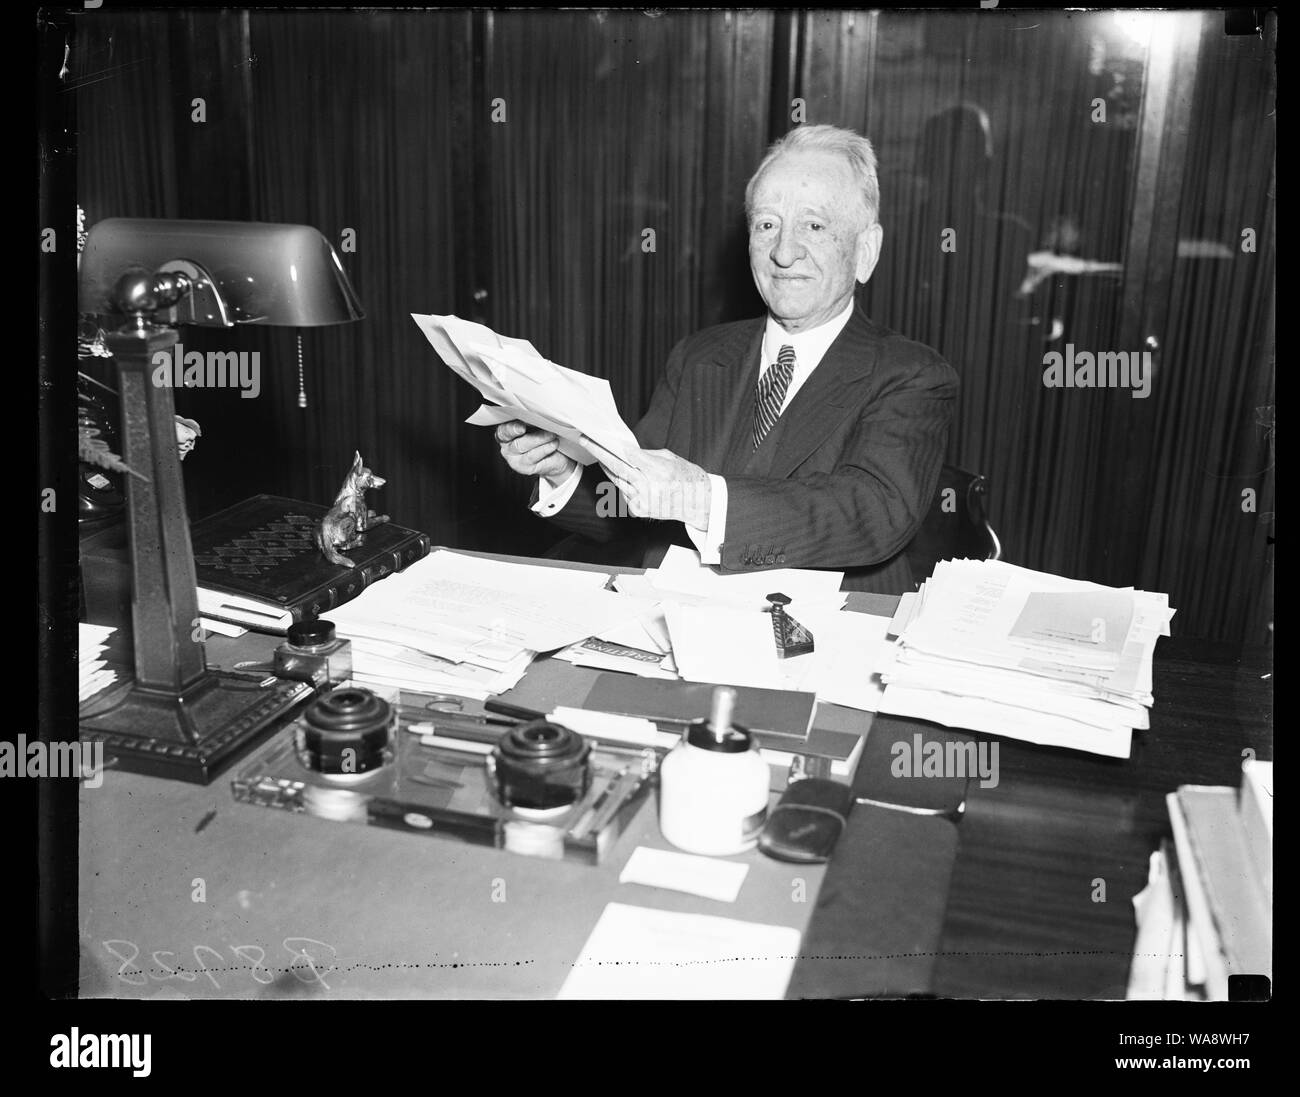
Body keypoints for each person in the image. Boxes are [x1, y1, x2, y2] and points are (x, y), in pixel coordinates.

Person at [496, 124, 958, 594]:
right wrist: (563, 471)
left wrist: (700, 499)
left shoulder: (912, 375)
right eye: (767, 224)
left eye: (814, 226)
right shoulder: (699, 355)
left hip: (826, 636)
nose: (784, 252)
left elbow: (871, 512)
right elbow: (630, 511)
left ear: (865, 251)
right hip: (678, 620)